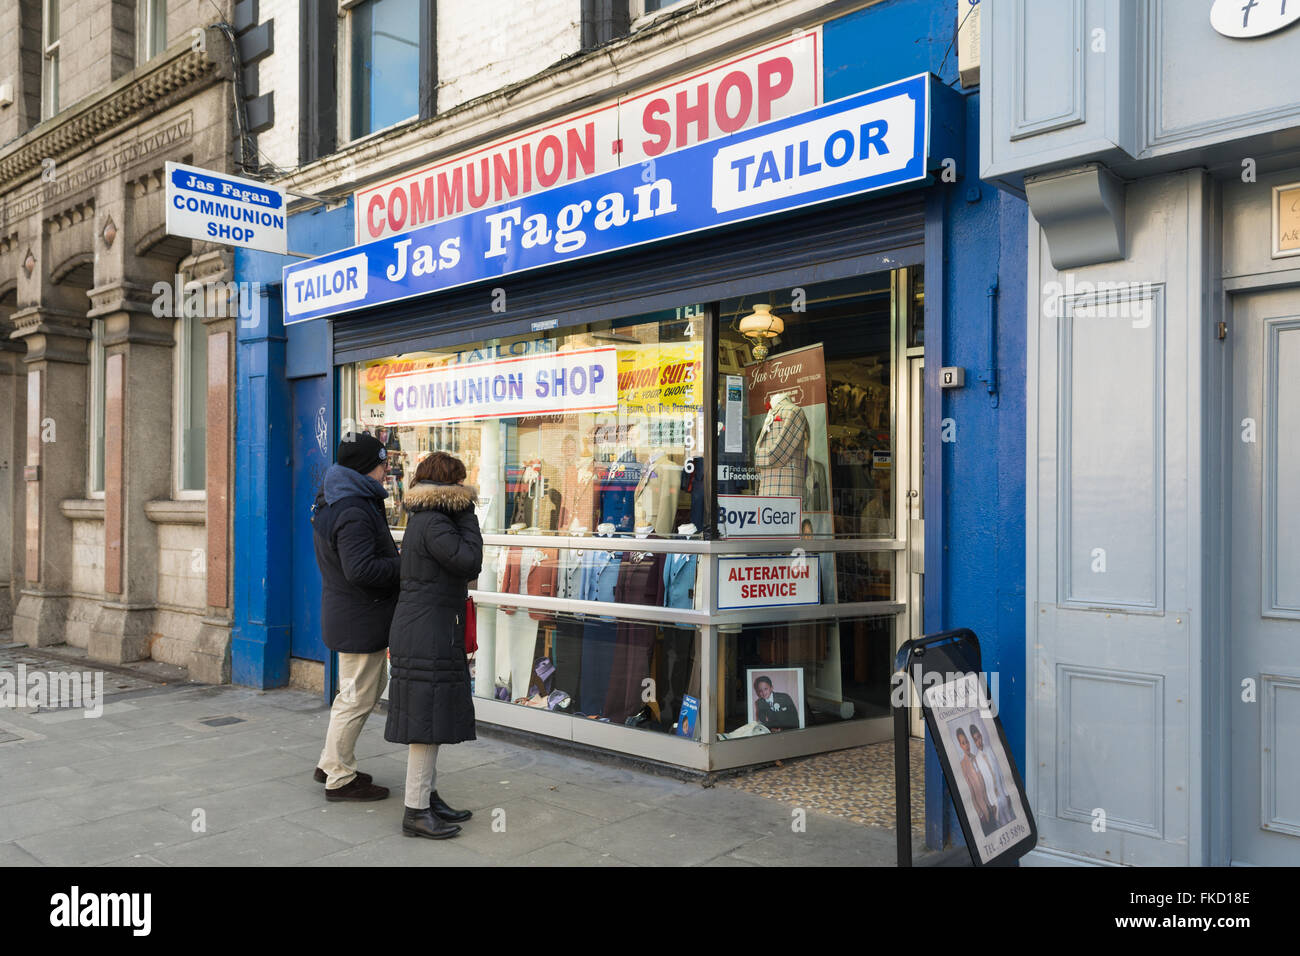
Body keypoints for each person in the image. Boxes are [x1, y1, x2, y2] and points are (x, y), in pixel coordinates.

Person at [384, 451, 484, 839]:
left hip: (428, 627)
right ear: (449, 484)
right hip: (427, 631)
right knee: (426, 722)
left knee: (432, 715)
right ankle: (416, 811)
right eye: (460, 481)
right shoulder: (436, 522)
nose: (464, 487)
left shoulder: (427, 520)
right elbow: (469, 560)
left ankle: (428, 796)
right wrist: (469, 515)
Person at [311, 433, 400, 801]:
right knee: (356, 698)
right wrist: (406, 565)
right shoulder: (353, 509)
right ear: (365, 468)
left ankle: (330, 761)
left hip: (353, 615)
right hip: (359, 619)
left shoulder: (341, 499)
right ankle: (340, 778)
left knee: (360, 692)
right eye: (382, 464)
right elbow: (361, 570)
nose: (386, 471)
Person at [956, 727, 998, 835]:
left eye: (967, 742)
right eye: (963, 743)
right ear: (960, 745)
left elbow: (984, 784)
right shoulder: (963, 765)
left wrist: (991, 804)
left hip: (990, 807)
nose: (967, 745)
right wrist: (980, 814)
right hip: (983, 814)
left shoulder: (976, 758)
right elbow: (971, 794)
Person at [971, 725, 1014, 827]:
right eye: (975, 739)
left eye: (979, 737)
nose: (978, 741)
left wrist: (1006, 792)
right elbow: (984, 784)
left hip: (1001, 791)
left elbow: (999, 770)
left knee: (1010, 817)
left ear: (981, 736)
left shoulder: (989, 749)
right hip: (993, 797)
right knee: (1001, 821)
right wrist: (990, 803)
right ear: (974, 741)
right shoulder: (977, 760)